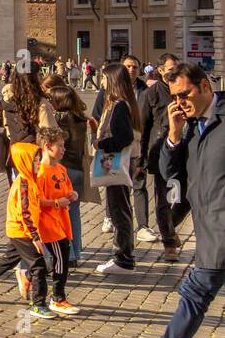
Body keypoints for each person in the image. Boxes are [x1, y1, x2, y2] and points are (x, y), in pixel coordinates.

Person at [111, 63, 225, 338]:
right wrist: (173, 137)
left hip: (221, 230)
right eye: (175, 97)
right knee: (196, 296)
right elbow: (170, 173)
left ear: (205, 87)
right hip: (210, 228)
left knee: (195, 294)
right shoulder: (189, 126)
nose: (179, 102)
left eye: (185, 94)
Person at [0, 129, 58, 320]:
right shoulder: (24, 182)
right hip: (21, 231)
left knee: (8, 260)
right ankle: (38, 304)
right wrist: (35, 237)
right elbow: (25, 213)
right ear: (25, 162)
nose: (39, 163)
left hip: (21, 230)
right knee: (38, 265)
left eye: (39, 159)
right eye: (35, 160)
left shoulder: (31, 181)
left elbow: (35, 205)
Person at [135, 52, 185, 262]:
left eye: (176, 67)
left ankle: (170, 228)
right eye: (170, 68)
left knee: (187, 197)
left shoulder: (183, 90)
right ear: (161, 70)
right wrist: (140, 161)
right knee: (164, 199)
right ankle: (168, 242)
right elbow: (142, 129)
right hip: (160, 152)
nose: (173, 71)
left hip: (186, 151)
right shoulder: (151, 94)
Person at [95, 61, 142, 275]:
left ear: (112, 80)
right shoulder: (120, 103)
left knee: (119, 210)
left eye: (104, 77)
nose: (101, 81)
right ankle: (123, 256)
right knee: (119, 208)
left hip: (117, 162)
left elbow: (124, 138)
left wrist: (101, 144)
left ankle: (123, 259)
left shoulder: (120, 105)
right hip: (117, 162)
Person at [35, 127, 81, 316]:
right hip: (48, 224)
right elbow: (37, 200)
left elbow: (67, 188)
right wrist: (55, 202)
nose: (63, 149)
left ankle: (55, 294)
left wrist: (72, 194)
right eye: (60, 146)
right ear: (47, 146)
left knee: (62, 256)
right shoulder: (41, 173)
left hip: (61, 221)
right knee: (60, 258)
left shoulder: (61, 169)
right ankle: (57, 298)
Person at [48, 83, 93, 264]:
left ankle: (69, 254)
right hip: (78, 170)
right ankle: (76, 251)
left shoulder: (58, 119)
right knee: (74, 213)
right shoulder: (80, 119)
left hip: (62, 170)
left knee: (60, 213)